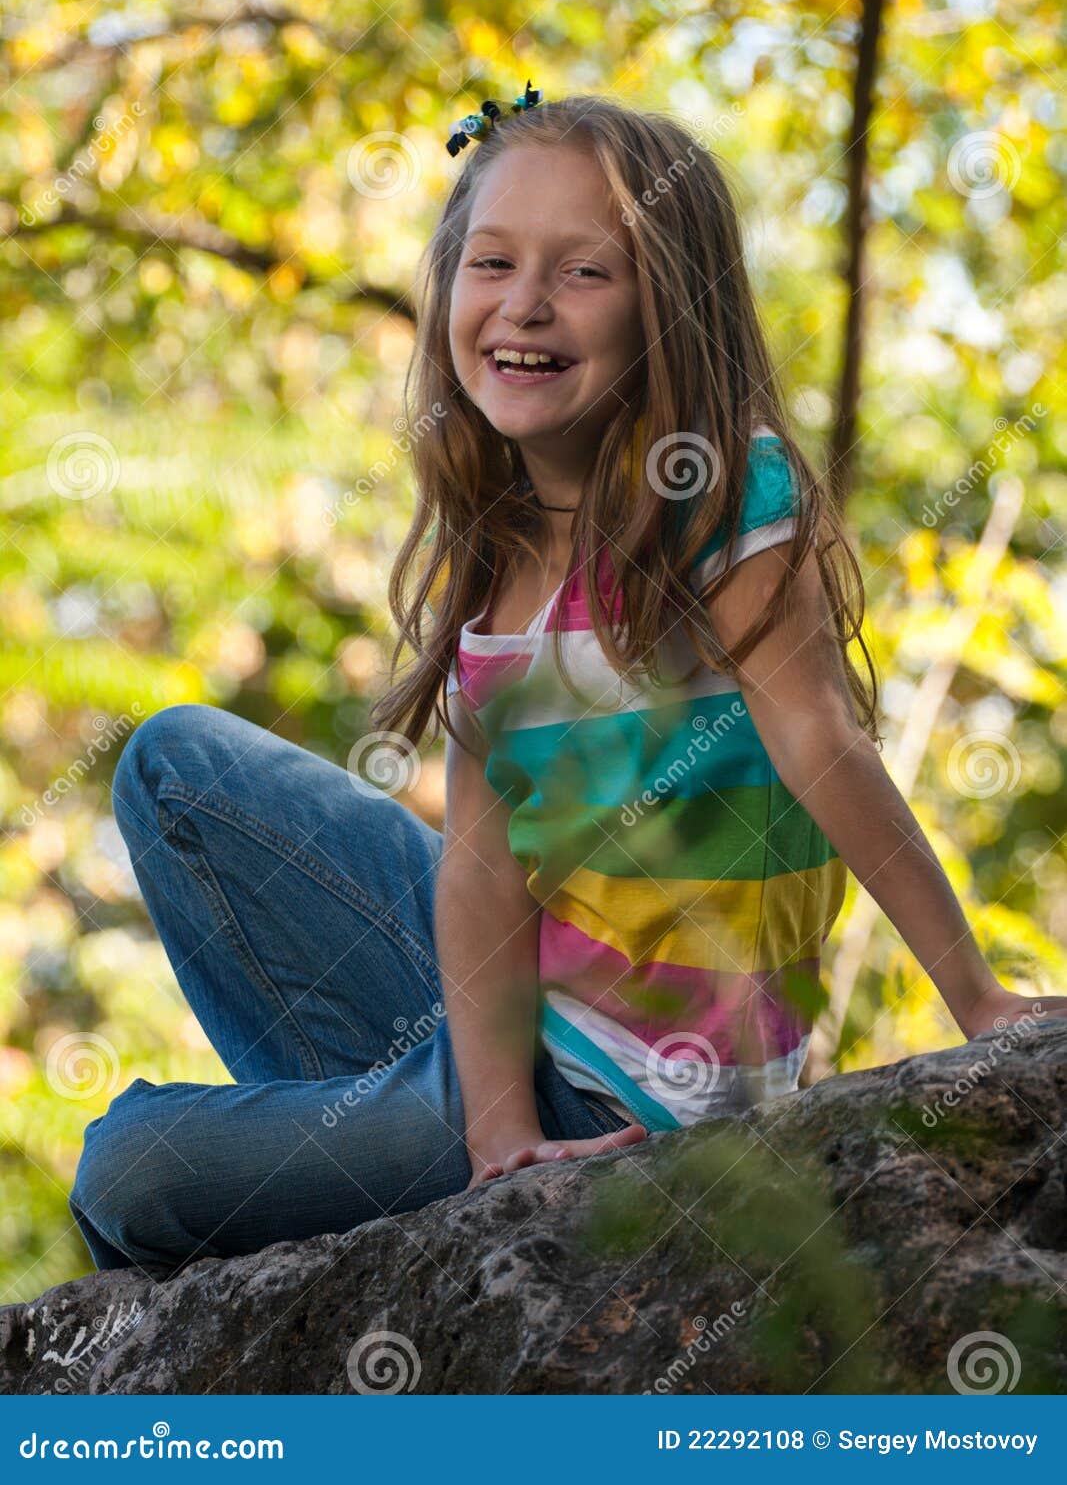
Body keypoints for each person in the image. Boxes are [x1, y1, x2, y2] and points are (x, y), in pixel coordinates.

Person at [70, 88, 1065, 1277]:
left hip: (630, 1097)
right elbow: (483, 868)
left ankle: (371, 1148)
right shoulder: (491, 559)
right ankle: (399, 1134)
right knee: (173, 761)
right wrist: (497, 1130)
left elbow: (821, 742)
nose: (523, 305)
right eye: (491, 262)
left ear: (666, 308)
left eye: (582, 273)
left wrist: (973, 996)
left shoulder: (715, 503)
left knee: (126, 1169)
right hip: (516, 1022)